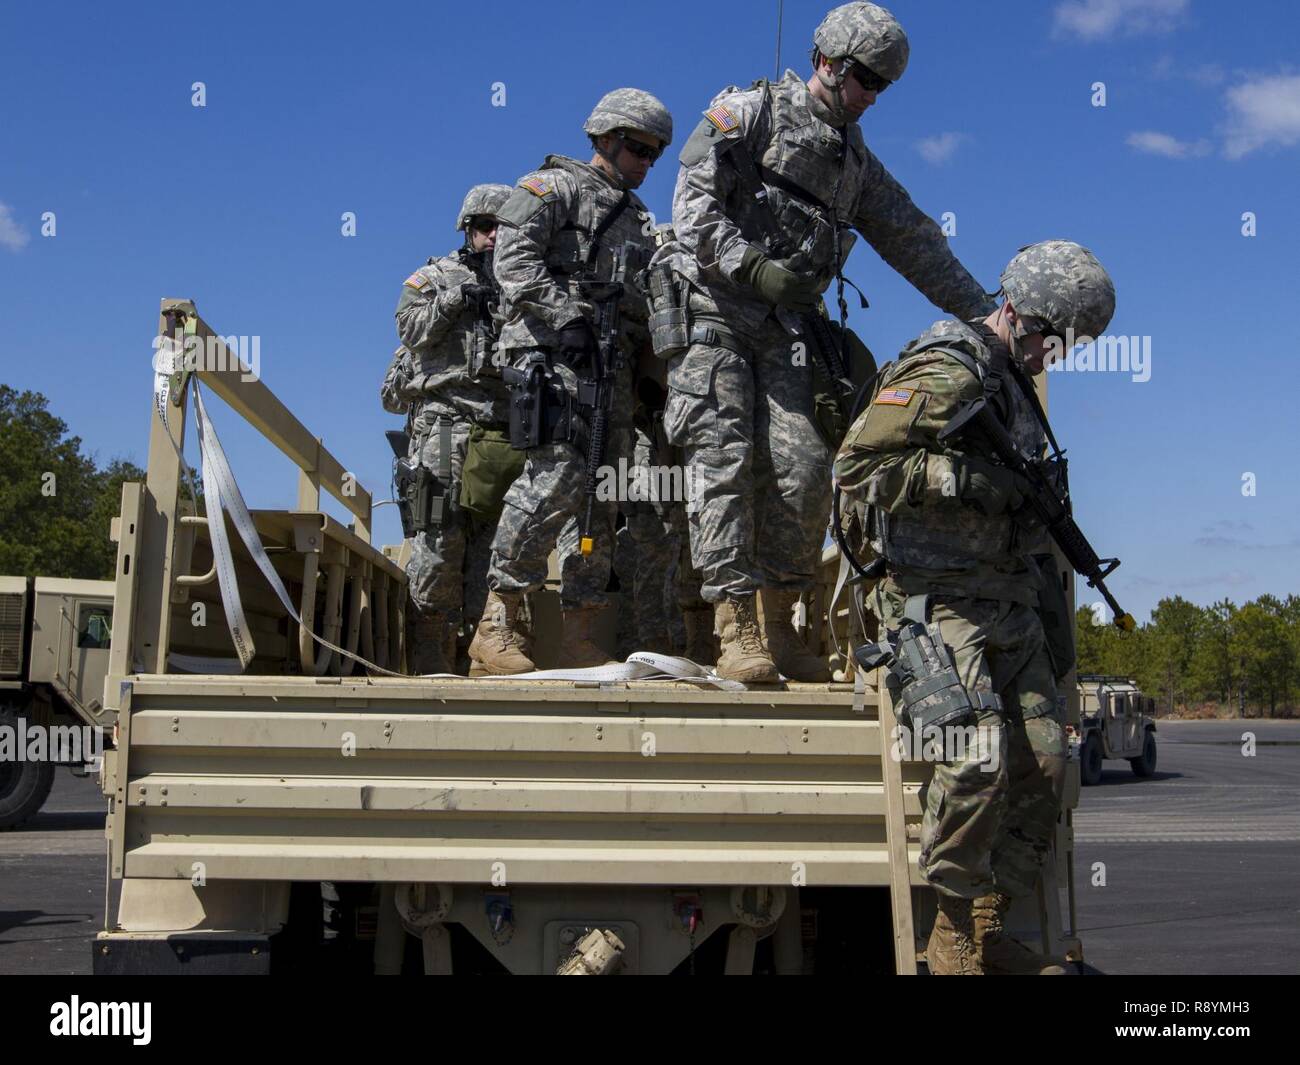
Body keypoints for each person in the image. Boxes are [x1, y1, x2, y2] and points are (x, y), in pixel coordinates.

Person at [661, 1, 994, 683]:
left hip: (786, 331)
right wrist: (752, 265)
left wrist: (987, 317)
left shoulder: (854, 166)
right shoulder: (750, 111)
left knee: (807, 466)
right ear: (828, 62)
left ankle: (780, 619)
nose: (871, 96)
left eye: (882, 86)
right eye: (865, 79)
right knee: (723, 462)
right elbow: (690, 201)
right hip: (716, 312)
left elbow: (915, 243)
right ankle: (736, 627)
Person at [834, 240, 1116, 975]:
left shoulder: (1015, 383)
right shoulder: (948, 366)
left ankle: (989, 922)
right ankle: (951, 930)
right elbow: (856, 468)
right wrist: (975, 483)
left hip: (1007, 598)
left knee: (1048, 761)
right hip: (935, 596)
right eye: (1051, 340)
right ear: (1017, 310)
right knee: (975, 755)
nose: (1053, 356)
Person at [468, 89, 674, 676]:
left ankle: (581, 632)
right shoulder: (550, 188)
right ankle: (498, 622)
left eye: (655, 154)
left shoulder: (637, 219)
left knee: (602, 496)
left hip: (614, 369)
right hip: (554, 356)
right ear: (605, 138)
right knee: (554, 478)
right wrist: (569, 319)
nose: (645, 162)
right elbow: (512, 261)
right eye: (637, 148)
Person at [386, 182, 514, 674]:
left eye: (505, 229)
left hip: (501, 429)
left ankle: (480, 656)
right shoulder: (435, 277)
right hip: (444, 421)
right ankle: (429, 660)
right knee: (438, 538)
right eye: (486, 228)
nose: (495, 238)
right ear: (468, 229)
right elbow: (409, 329)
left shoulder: (523, 280)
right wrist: (455, 299)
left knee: (493, 546)